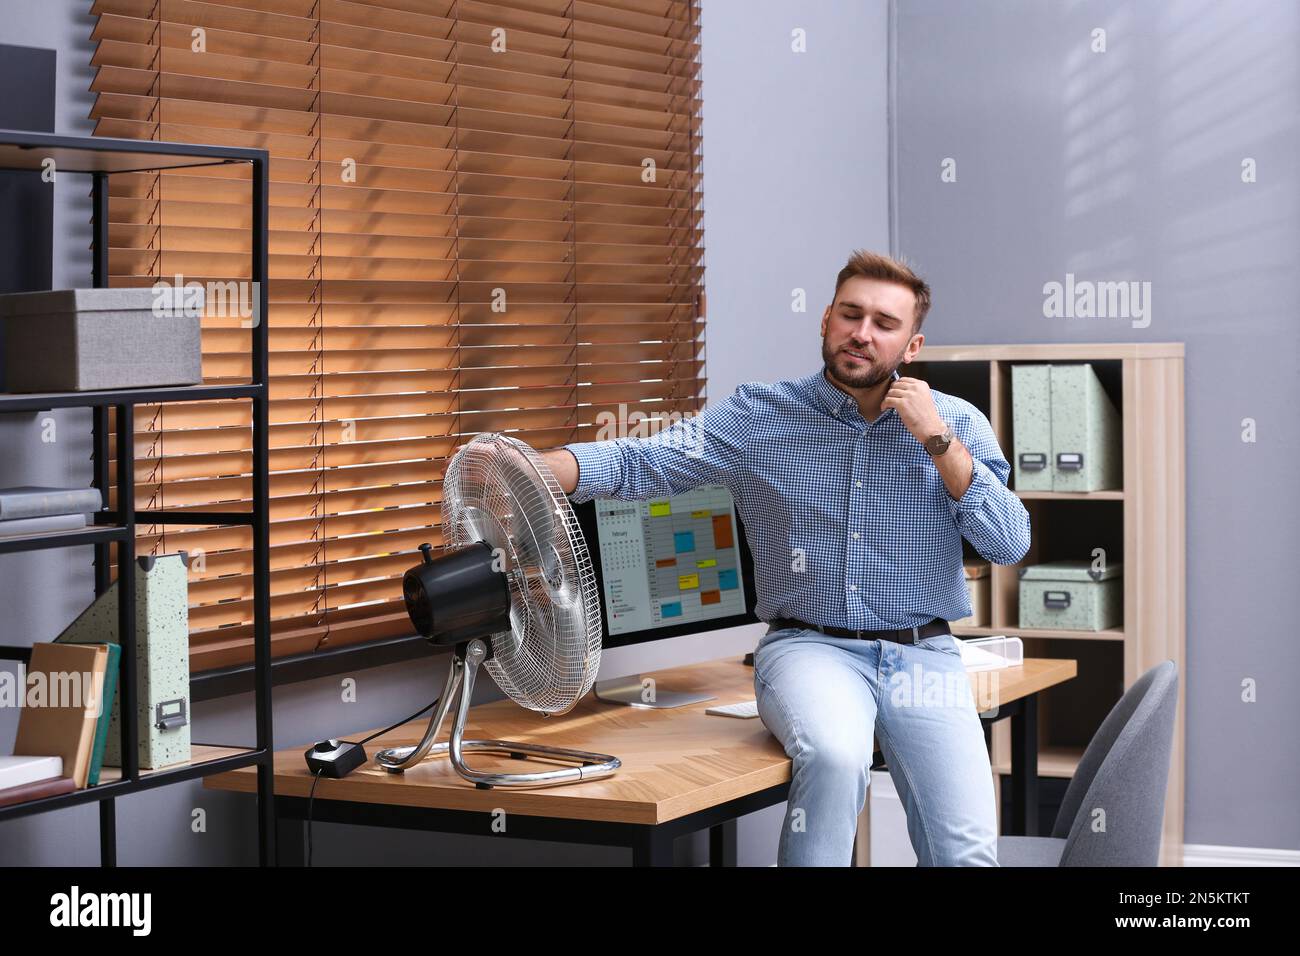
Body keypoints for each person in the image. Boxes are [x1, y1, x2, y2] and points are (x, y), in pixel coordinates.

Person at [540, 250, 1030, 866]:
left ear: (912, 345)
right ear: (825, 320)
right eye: (850, 315)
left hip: (923, 651)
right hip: (810, 648)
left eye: (884, 323)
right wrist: (543, 467)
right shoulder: (761, 416)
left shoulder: (955, 422)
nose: (862, 332)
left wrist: (935, 438)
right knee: (832, 756)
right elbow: (652, 461)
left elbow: (1009, 542)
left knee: (966, 853)